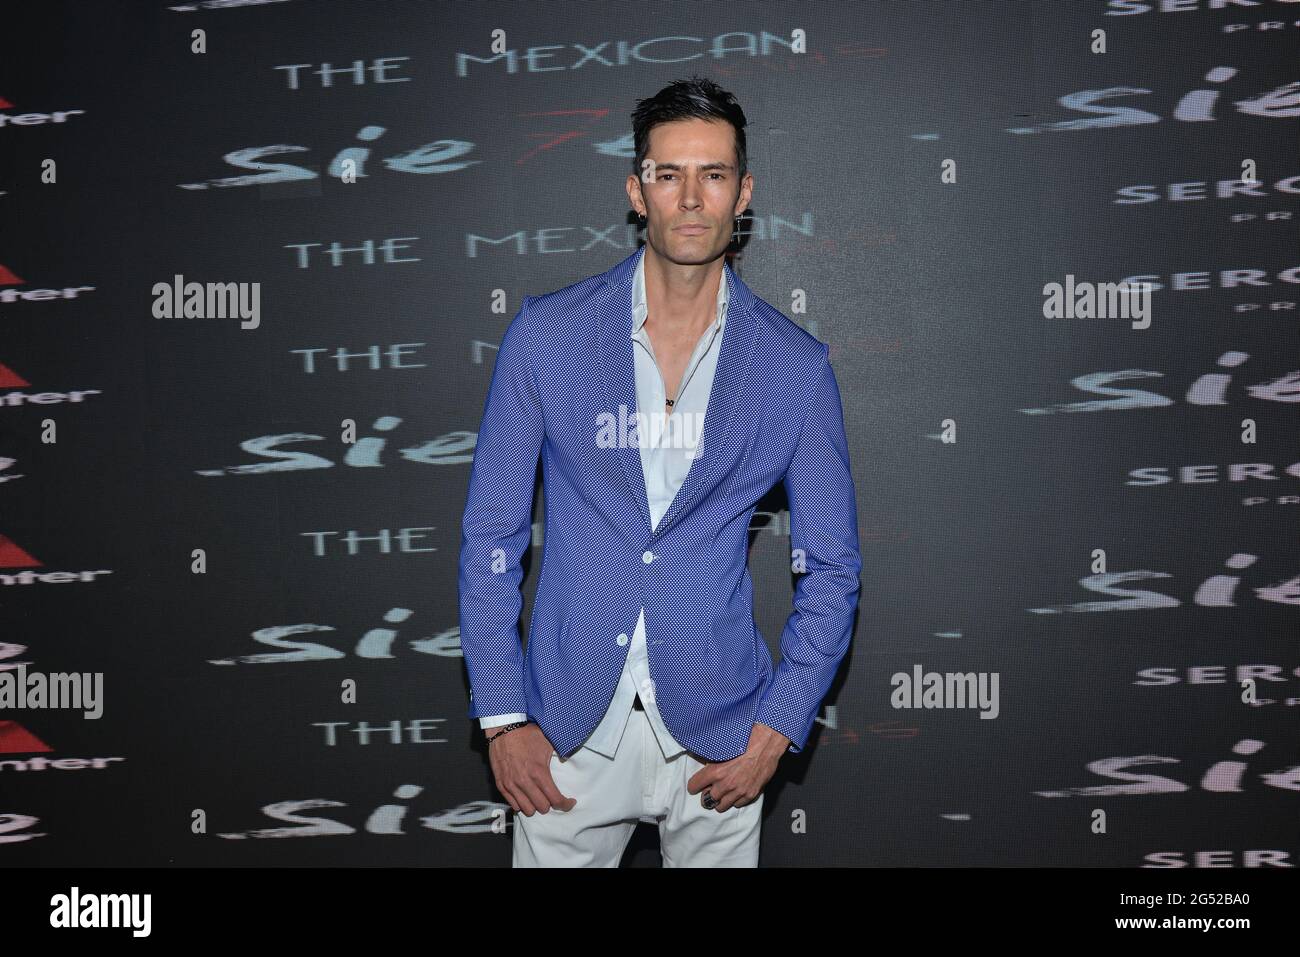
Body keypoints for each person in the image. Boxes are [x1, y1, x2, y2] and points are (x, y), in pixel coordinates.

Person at [458, 76, 861, 867]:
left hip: (717, 740)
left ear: (743, 192)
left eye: (712, 174)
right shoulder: (547, 336)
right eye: (668, 173)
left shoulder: (795, 368)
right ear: (636, 190)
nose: (689, 197)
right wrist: (503, 719)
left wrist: (774, 732)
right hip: (568, 732)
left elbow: (835, 569)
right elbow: (490, 539)